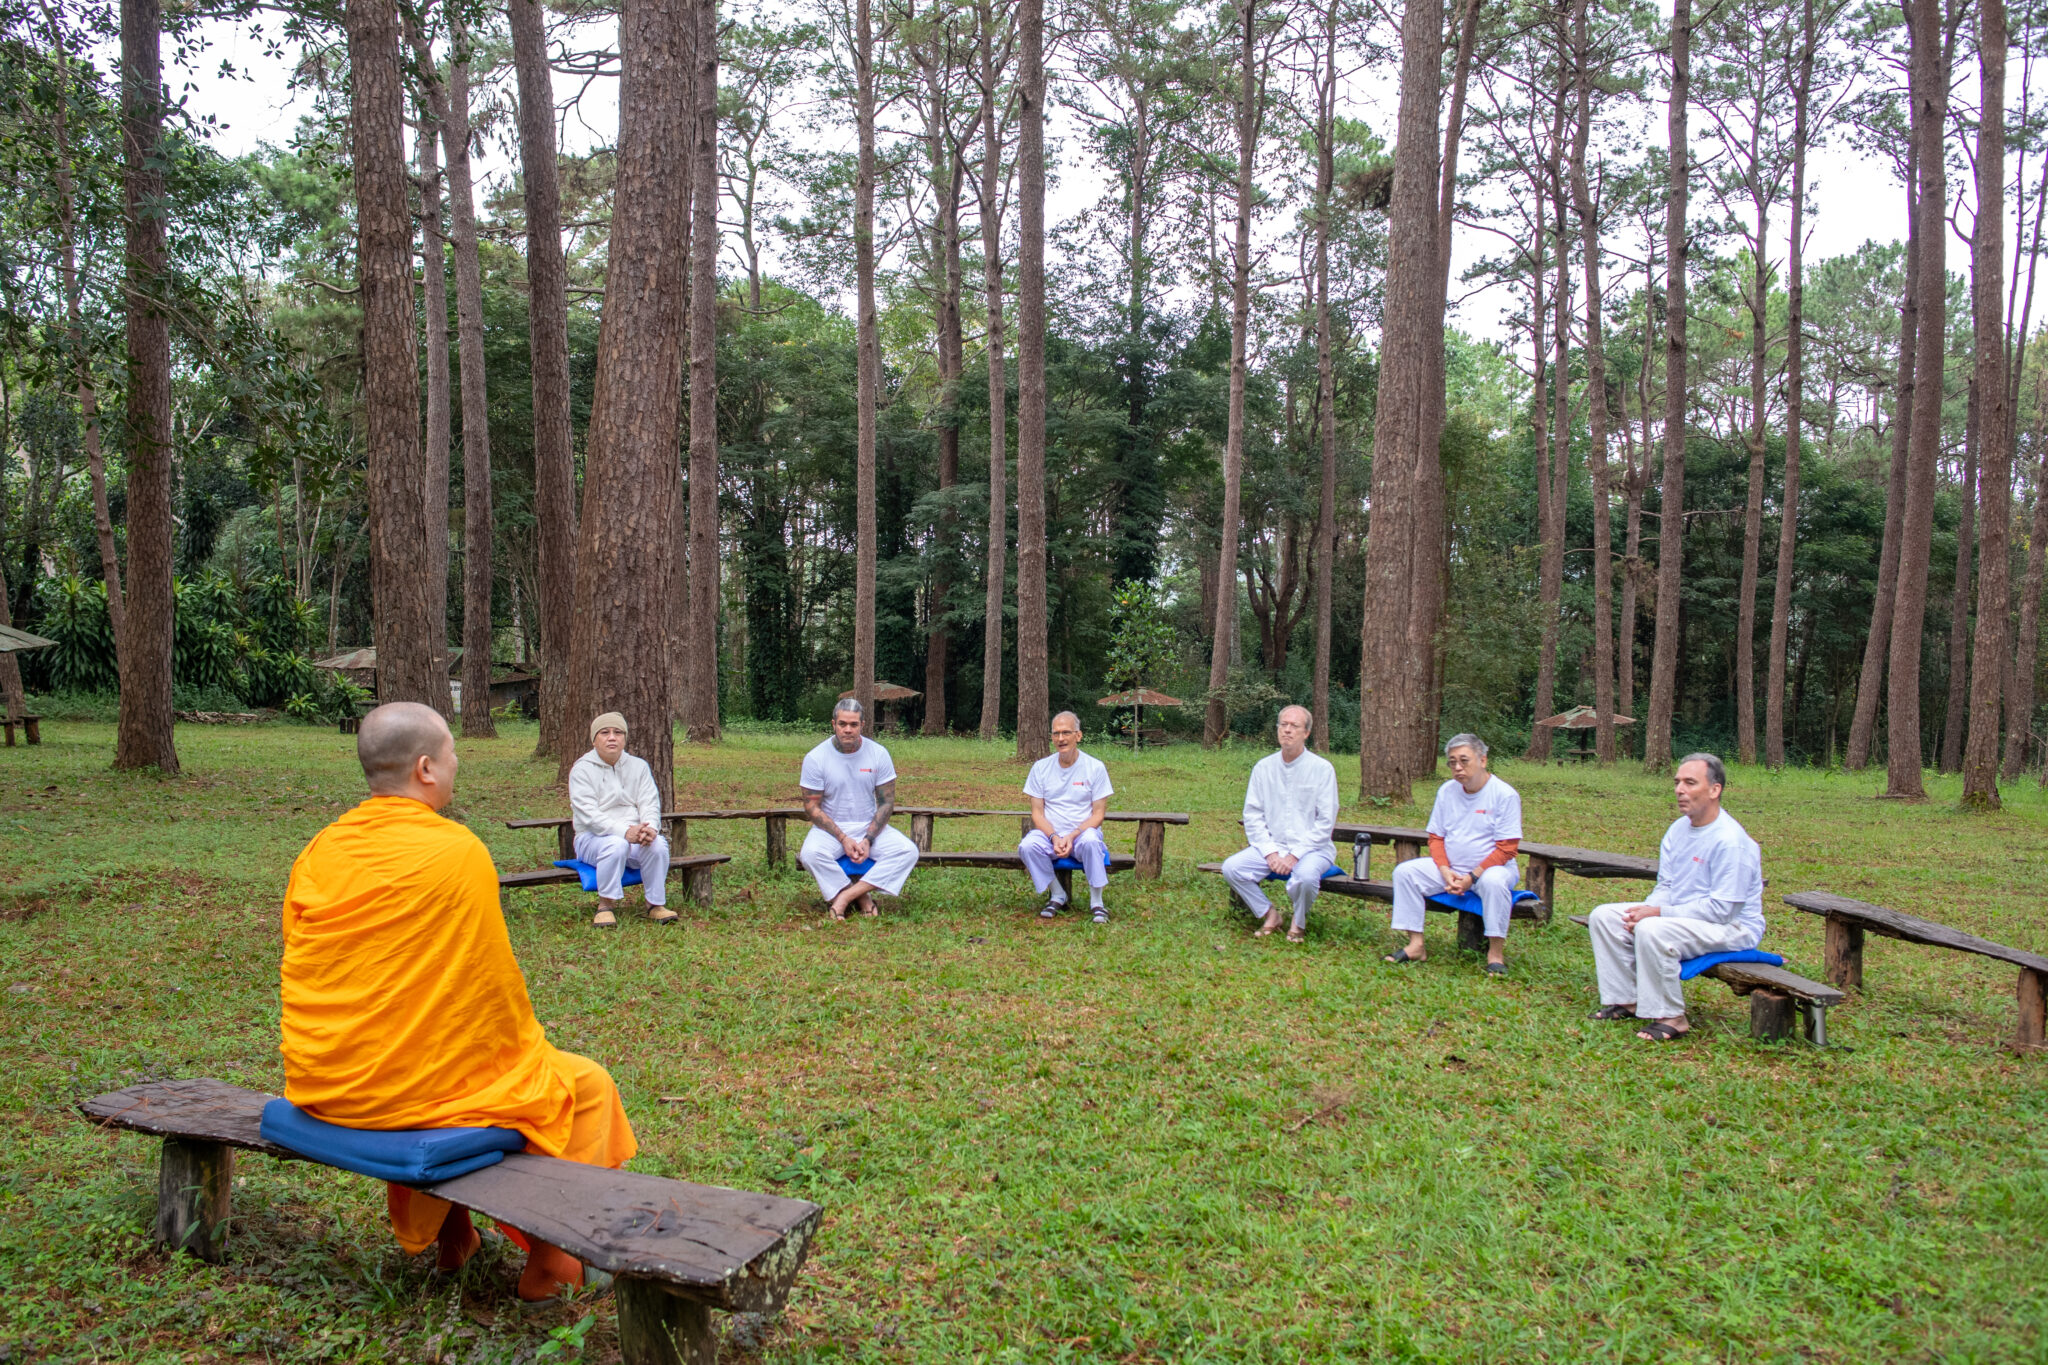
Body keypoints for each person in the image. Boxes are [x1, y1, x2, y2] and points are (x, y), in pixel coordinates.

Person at [279, 702, 636, 1300]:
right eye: (452, 754)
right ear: (425, 768)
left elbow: (308, 958)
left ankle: (454, 1239)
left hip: (325, 1078)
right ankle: (551, 1263)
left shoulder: (322, 848)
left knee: (420, 1055)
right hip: (402, 1090)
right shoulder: (456, 850)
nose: (455, 764)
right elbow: (486, 997)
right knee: (584, 1086)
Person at [1585, 753, 1765, 1042]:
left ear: (1714, 790)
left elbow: (1723, 910)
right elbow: (1666, 883)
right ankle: (1626, 999)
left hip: (1732, 927)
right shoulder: (1678, 830)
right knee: (1605, 916)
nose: (1679, 789)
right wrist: (1647, 908)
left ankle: (1672, 1016)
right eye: (1677, 782)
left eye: (1690, 782)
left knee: (1652, 928)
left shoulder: (1731, 841)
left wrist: (1657, 914)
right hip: (1681, 916)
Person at [1384, 733, 1523, 974]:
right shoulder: (1447, 791)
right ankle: (1416, 944)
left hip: (1491, 869)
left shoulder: (1504, 794)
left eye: (1464, 760)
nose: (1457, 768)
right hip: (1452, 868)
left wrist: (1473, 876)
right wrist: (1445, 870)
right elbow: (1436, 837)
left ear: (1482, 760)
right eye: (1452, 762)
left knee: (1494, 882)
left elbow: (1507, 848)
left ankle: (1495, 954)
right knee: (1405, 873)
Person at [1220, 706, 1340, 942]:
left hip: (1313, 849)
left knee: (1305, 877)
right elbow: (1253, 815)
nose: (1287, 730)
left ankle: (1299, 921)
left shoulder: (1322, 769)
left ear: (1306, 733)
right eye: (1283, 725)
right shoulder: (1263, 768)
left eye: (1294, 726)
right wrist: (1270, 852)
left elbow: (1326, 822)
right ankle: (1270, 914)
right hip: (1273, 846)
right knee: (1232, 868)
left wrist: (1294, 855)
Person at [798, 698, 920, 920]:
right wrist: (843, 838)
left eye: (853, 724)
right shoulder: (816, 758)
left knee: (908, 851)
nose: (848, 730)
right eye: (842, 724)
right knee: (810, 854)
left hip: (868, 825)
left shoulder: (878, 754)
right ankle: (863, 898)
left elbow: (886, 802)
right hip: (831, 829)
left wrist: (868, 839)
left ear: (862, 725)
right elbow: (811, 807)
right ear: (833, 724)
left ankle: (846, 897)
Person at [568, 711, 674, 928]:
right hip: (592, 839)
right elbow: (588, 813)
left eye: (618, 732)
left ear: (625, 738)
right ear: (594, 739)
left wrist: (650, 828)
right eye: (605, 732)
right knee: (615, 845)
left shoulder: (638, 766)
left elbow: (649, 802)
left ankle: (654, 905)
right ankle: (605, 906)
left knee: (657, 845)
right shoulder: (582, 770)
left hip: (634, 834)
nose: (612, 737)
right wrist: (624, 832)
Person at [1019, 711, 1115, 923]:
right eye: (1056, 734)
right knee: (1027, 846)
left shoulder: (1095, 767)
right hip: (1050, 835)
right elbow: (1037, 813)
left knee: (1091, 840)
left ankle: (1097, 902)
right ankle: (1057, 893)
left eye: (1066, 733)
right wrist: (1054, 837)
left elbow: (1098, 814)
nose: (1061, 739)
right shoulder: (1040, 768)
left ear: (1078, 736)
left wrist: (1071, 836)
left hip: (1081, 834)